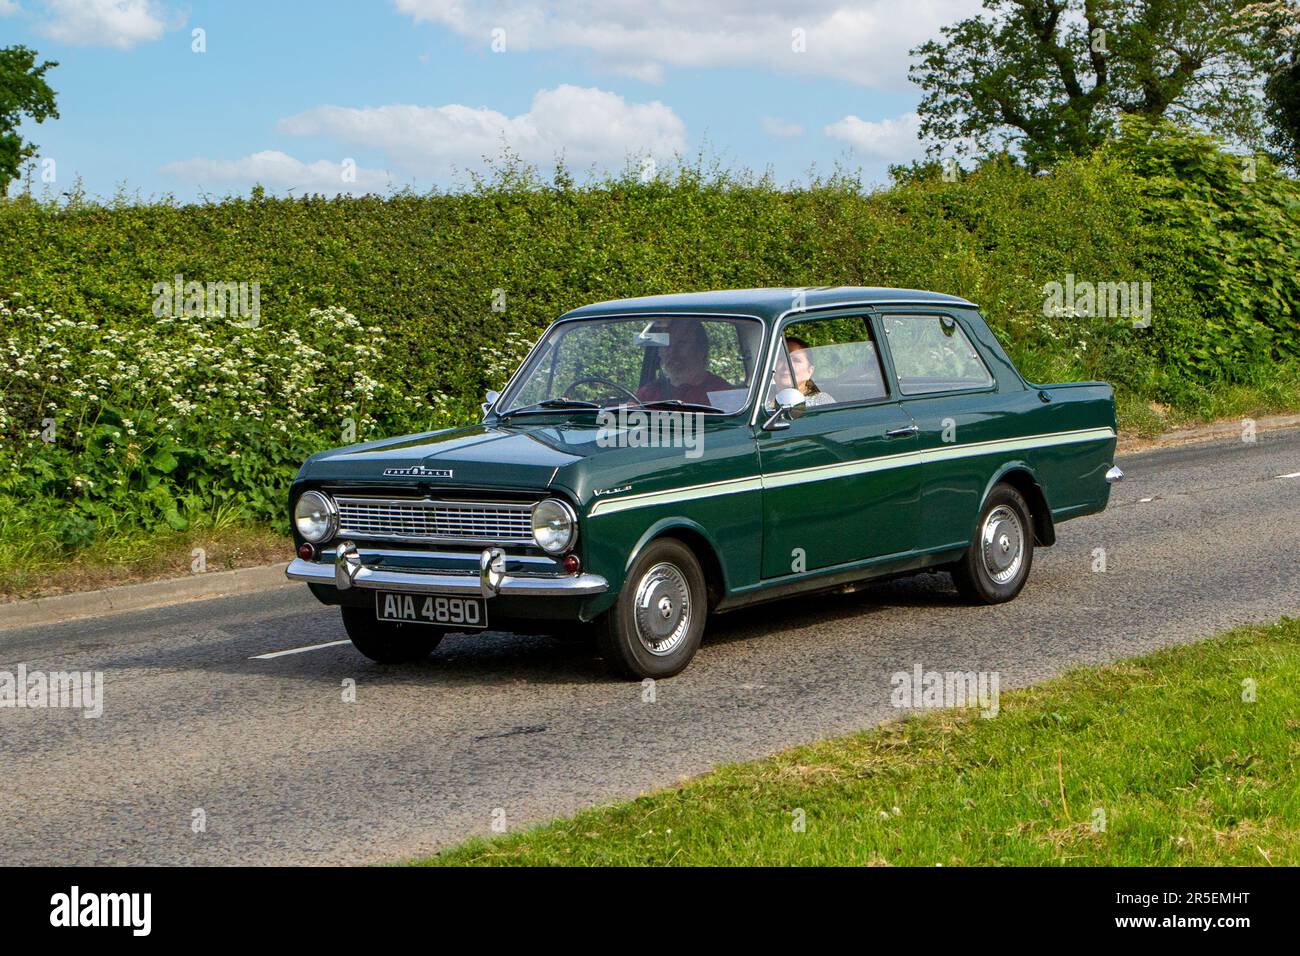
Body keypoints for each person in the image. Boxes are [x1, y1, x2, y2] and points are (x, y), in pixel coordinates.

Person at [637, 318, 732, 407]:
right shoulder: (648, 394)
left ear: (701, 349)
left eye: (681, 343)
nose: (671, 351)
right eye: (667, 344)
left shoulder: (722, 392)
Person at [774, 335, 835, 407]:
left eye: (796, 360)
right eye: (781, 358)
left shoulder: (821, 402)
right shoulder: (761, 396)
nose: (786, 365)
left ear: (809, 371)